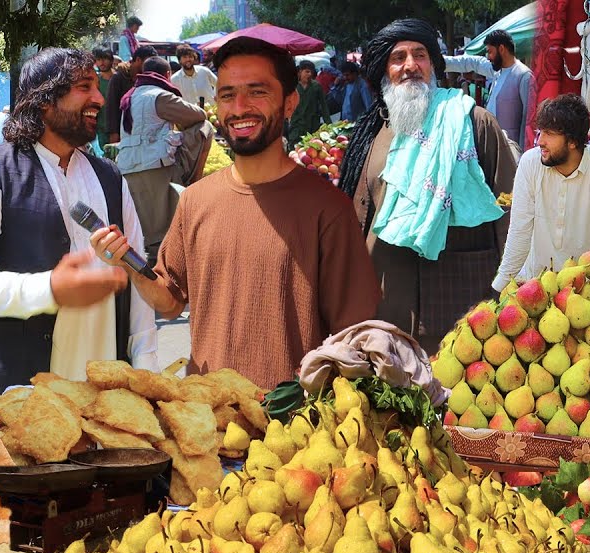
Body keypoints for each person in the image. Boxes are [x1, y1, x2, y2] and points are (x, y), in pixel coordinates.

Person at [93, 37, 380, 389]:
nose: (240, 107)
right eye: (228, 95)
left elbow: (356, 333)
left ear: (290, 102)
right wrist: (129, 264)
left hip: (294, 425)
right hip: (208, 422)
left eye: (257, 92)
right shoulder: (195, 201)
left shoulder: (328, 208)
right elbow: (168, 302)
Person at [0, 47, 159, 399]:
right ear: (45, 100)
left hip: (97, 399)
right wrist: (50, 290)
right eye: (84, 87)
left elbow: (139, 279)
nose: (99, 98)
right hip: (10, 395)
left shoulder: (111, 179)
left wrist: (146, 367)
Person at [338, 18, 517, 353]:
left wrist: (511, 295)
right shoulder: (371, 133)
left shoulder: (473, 123)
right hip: (385, 315)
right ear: (384, 72)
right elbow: (355, 216)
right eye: (398, 58)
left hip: (459, 310)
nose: (410, 66)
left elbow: (512, 212)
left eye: (419, 55)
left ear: (433, 64)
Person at [492, 95, 590, 291]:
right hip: (537, 287)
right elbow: (519, 232)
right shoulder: (530, 164)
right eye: (540, 132)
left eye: (549, 134)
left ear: (573, 142)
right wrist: (498, 287)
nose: (540, 141)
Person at [118, 56, 211, 263]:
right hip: (155, 167)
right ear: (167, 75)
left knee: (143, 232)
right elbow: (198, 116)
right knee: (206, 128)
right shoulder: (159, 96)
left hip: (127, 167)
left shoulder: (131, 96)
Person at [443, 30, 535, 151]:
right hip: (493, 146)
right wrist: (440, 62)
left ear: (501, 49)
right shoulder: (497, 71)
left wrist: (524, 153)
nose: (488, 57)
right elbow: (472, 62)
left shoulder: (523, 75)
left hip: (512, 151)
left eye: (490, 52)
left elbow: (528, 119)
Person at [105, 46, 157, 146]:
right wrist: (114, 135)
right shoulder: (119, 78)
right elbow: (112, 108)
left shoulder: (148, 79)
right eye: (148, 62)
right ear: (138, 60)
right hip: (121, 133)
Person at [288, 60, 329, 145]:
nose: (309, 74)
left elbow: (324, 107)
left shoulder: (316, 86)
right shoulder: (292, 86)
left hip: (312, 125)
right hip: (296, 125)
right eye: (307, 72)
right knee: (294, 150)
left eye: (311, 72)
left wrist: (328, 125)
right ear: (300, 72)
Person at [93, 47, 116, 150]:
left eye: (105, 58)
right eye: (98, 59)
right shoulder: (95, 81)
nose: (102, 62)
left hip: (118, 127)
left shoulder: (119, 79)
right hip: (101, 127)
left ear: (111, 60)